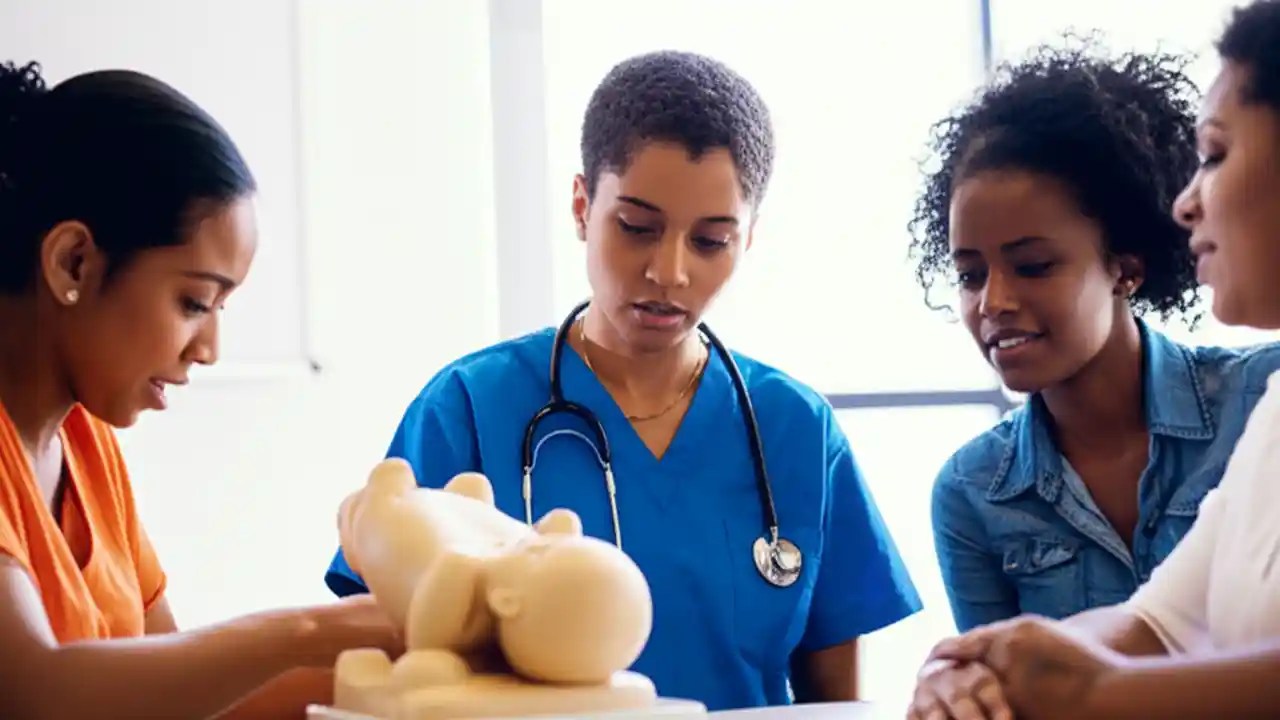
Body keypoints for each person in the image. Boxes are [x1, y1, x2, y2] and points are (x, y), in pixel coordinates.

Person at [323, 50, 922, 711]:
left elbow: (834, 708)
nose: (669, 271)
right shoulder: (466, 408)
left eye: (711, 240)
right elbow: (387, 667)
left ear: (748, 239)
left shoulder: (795, 428)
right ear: (583, 206)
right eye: (637, 227)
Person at [907, 2, 1280, 718]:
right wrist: (981, 665)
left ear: (1126, 268)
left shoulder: (1254, 394)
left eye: (1218, 154)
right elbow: (1161, 623)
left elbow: (1128, 664)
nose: (1188, 203)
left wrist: (1099, 691)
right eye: (970, 274)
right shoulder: (1279, 412)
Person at [0, 60, 401, 719]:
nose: (208, 349)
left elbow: (173, 698)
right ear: (73, 260)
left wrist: (409, 669)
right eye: (193, 302)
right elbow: (35, 692)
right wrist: (317, 631)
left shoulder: (86, 444)